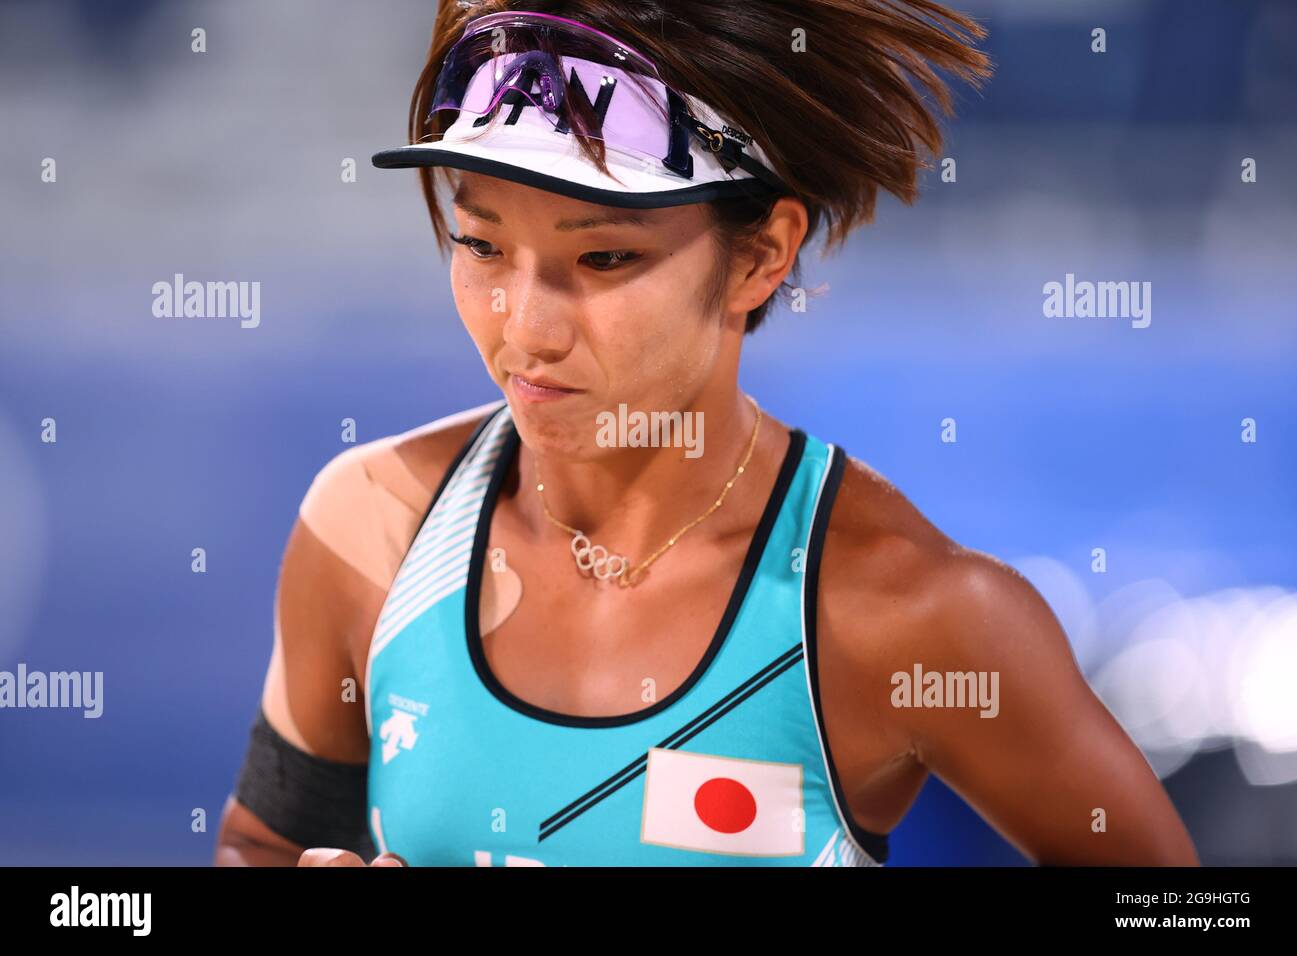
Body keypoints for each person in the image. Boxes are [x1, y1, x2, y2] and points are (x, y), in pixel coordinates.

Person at [215, 2, 1198, 867]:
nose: (524, 325)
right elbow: (261, 843)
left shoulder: (909, 607)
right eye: (481, 245)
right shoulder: (369, 526)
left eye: (601, 256)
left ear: (760, 257)